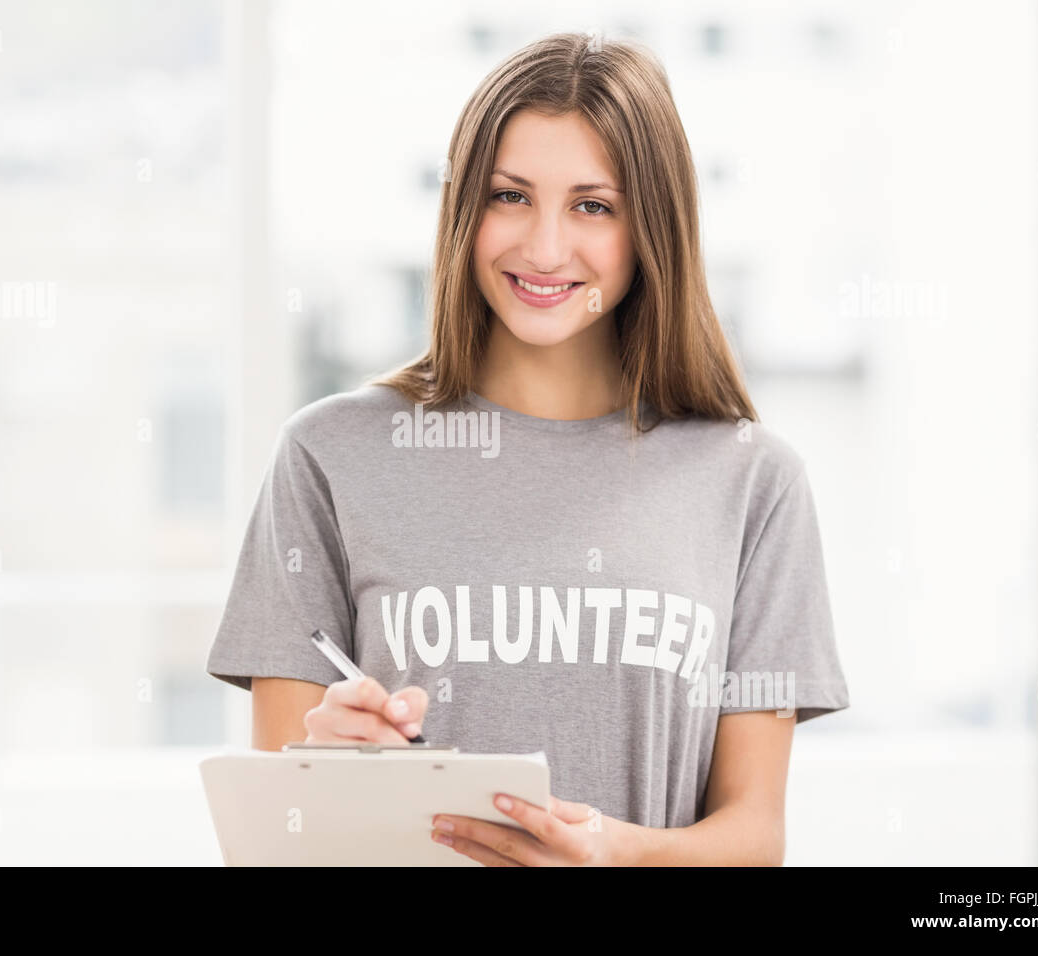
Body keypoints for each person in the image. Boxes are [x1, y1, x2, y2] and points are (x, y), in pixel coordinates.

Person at [206, 31, 849, 866]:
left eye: (593, 205)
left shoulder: (752, 481)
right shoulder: (328, 457)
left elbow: (753, 837)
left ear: (650, 226)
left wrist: (612, 855)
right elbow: (277, 842)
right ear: (463, 209)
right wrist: (327, 767)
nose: (545, 249)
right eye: (511, 196)